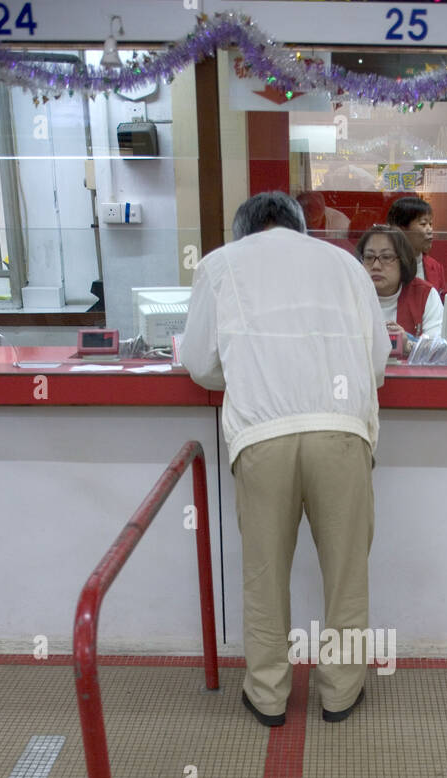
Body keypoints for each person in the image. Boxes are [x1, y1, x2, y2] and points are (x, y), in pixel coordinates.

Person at [178, 191, 390, 725]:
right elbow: (378, 361)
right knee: (346, 575)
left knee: (264, 572)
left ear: (243, 229)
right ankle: (340, 692)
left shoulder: (220, 265)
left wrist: (253, 368)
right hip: (341, 431)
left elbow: (201, 362)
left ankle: (268, 694)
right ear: (300, 226)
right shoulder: (346, 265)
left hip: (263, 434)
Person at [355, 224, 443, 357]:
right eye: (368, 257)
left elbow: (438, 352)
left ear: (403, 260)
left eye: (386, 257)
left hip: (409, 377)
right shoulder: (349, 293)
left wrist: (407, 345)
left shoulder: (424, 295)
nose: (376, 266)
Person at [387, 195, 447, 298]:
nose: (429, 230)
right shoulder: (384, 265)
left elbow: (443, 303)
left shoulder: (435, 267)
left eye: (430, 224)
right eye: (423, 224)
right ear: (400, 229)